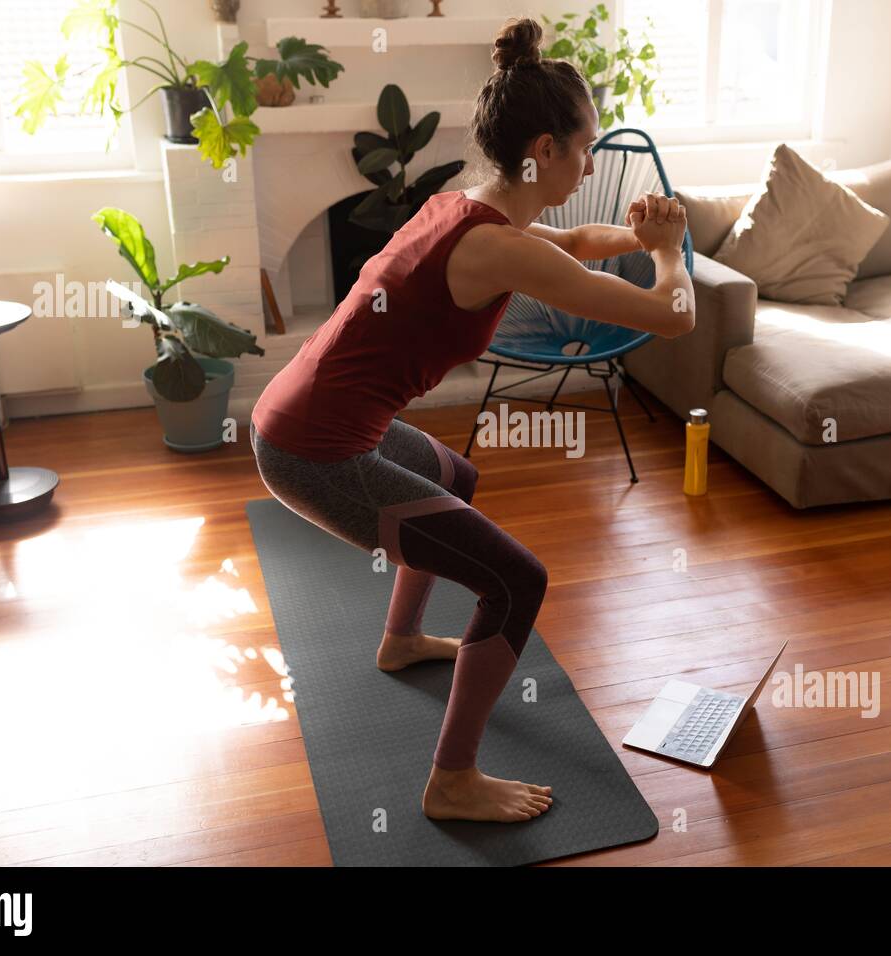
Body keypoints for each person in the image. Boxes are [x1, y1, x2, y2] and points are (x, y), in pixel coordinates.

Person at [250, 16, 693, 824]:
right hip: (312, 450)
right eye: (585, 146)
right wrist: (669, 250)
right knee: (516, 580)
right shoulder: (499, 248)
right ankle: (451, 780)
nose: (591, 162)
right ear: (547, 150)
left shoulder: (467, 206)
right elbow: (673, 316)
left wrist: (636, 231)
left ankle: (401, 640)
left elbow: (573, 240)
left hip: (302, 411)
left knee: (455, 476)